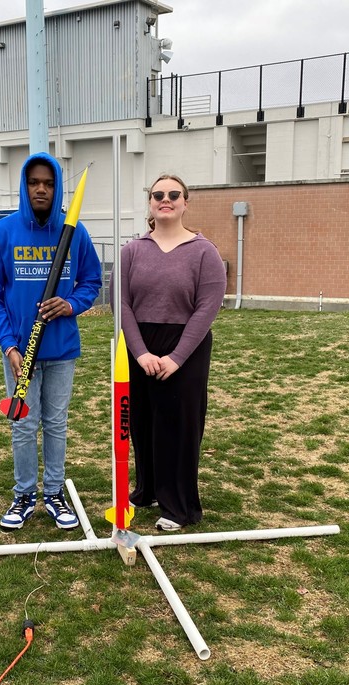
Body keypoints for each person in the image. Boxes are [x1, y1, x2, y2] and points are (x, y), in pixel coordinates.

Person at [0, 153, 103, 531]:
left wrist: (69, 304)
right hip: (20, 352)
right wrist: (9, 346)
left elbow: (92, 283)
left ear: (57, 189)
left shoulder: (75, 233)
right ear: (24, 185)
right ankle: (24, 495)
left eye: (48, 184)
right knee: (22, 424)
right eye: (34, 182)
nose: (41, 189)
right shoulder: (2, 233)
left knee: (55, 423)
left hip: (61, 350)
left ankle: (53, 493)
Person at [119, 174, 226, 531]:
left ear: (185, 201)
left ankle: (178, 506)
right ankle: (148, 489)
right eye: (158, 194)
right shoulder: (132, 251)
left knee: (178, 427)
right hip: (140, 346)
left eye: (173, 194)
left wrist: (176, 357)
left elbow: (207, 307)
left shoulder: (203, 251)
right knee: (143, 423)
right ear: (150, 202)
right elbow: (122, 305)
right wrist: (140, 352)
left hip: (186, 347)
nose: (166, 199)